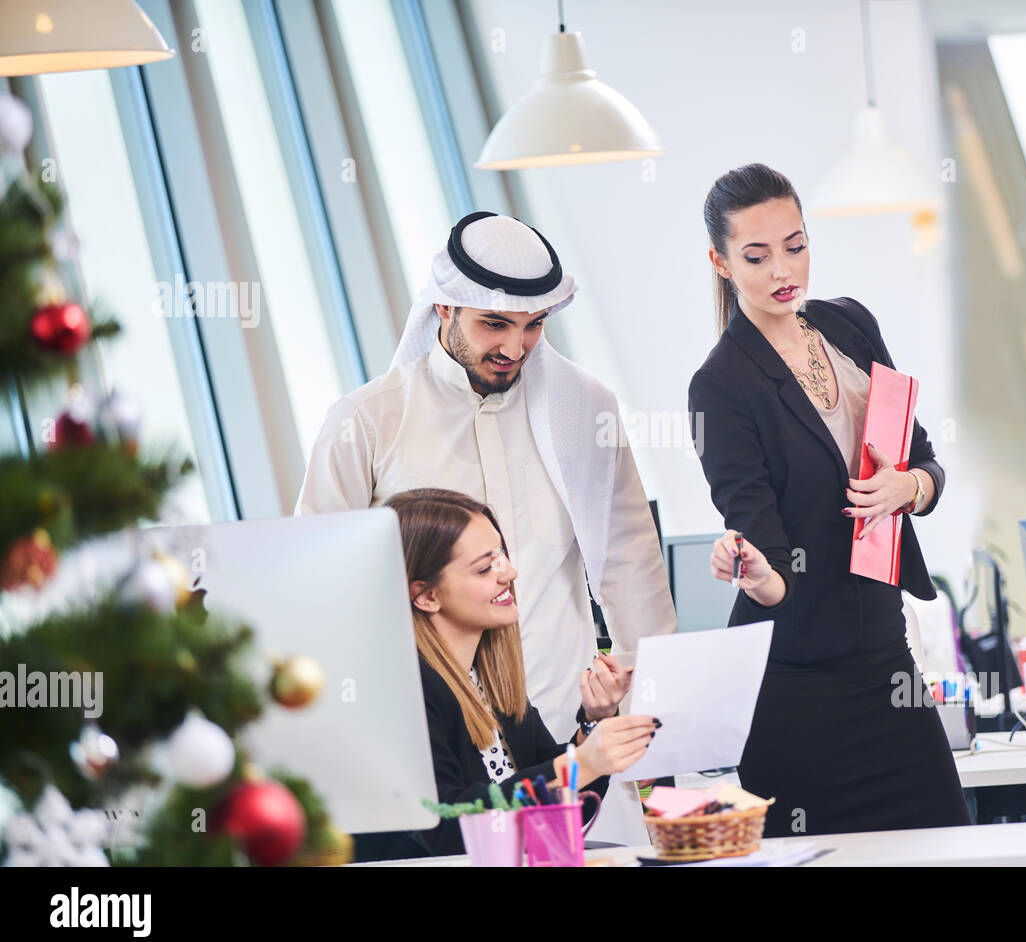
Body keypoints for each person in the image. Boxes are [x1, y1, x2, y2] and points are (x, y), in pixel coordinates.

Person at [296, 211, 676, 845]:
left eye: (533, 327)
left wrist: (652, 727)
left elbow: (631, 564)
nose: (514, 347)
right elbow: (325, 595)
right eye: (494, 323)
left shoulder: (588, 408)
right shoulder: (367, 421)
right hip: (432, 742)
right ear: (444, 309)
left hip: (561, 724)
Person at [688, 163, 969, 838]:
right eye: (756, 255)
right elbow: (769, 556)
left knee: (950, 845)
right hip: (797, 685)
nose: (783, 268)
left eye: (796, 244)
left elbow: (924, 459)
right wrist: (757, 571)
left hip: (883, 656)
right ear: (721, 262)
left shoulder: (850, 327)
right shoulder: (722, 387)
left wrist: (910, 486)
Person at [368, 488, 658, 859]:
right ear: (426, 596)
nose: (510, 573)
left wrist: (595, 722)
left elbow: (559, 799)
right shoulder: (403, 691)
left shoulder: (486, 678)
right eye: (485, 567)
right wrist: (580, 765)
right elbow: (444, 826)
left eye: (501, 555)